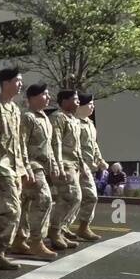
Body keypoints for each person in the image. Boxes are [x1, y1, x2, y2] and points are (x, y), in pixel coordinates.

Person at [0, 68, 33, 270]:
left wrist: (25, 166)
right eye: (17, 81)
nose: (20, 84)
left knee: (9, 213)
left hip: (14, 167)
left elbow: (20, 142)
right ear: (5, 83)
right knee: (11, 210)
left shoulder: (15, 110)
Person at [10, 83, 59, 261]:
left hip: (42, 166)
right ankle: (36, 241)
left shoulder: (45, 118)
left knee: (26, 205)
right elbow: (20, 144)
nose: (48, 97)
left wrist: (54, 164)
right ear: (32, 98)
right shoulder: (27, 117)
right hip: (31, 165)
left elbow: (49, 146)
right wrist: (26, 168)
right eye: (44, 94)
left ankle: (19, 240)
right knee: (45, 199)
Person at [48, 91, 82, 251]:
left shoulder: (73, 120)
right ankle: (54, 231)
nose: (78, 102)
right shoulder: (57, 118)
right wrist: (58, 165)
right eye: (74, 99)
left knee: (75, 198)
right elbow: (56, 143)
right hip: (64, 164)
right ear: (64, 101)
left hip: (74, 164)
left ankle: (59, 230)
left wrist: (81, 163)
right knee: (70, 197)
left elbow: (77, 146)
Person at [74, 94, 105, 241]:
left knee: (82, 198)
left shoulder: (90, 124)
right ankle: (77, 228)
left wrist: (100, 160)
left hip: (89, 167)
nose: (93, 107)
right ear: (81, 105)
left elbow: (94, 145)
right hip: (78, 167)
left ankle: (81, 227)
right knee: (85, 197)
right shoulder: (74, 123)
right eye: (90, 104)